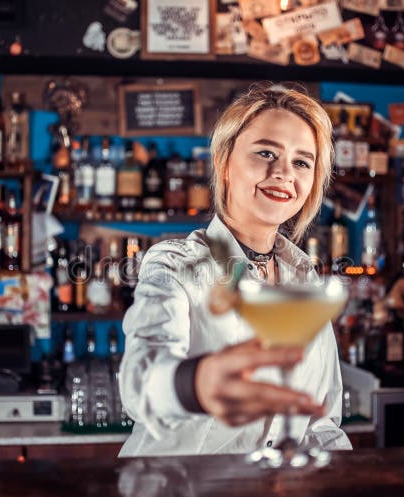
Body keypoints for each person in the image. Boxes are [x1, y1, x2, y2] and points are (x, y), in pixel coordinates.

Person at [118, 82, 352, 456]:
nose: (284, 173)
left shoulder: (304, 280)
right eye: (265, 153)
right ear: (224, 164)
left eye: (302, 162)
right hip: (178, 495)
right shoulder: (177, 264)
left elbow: (322, 423)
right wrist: (195, 384)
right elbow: (139, 386)